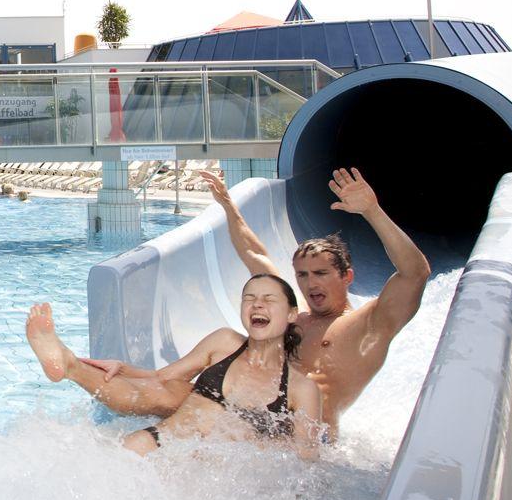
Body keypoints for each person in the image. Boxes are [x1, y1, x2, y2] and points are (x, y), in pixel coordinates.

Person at [71, 167, 430, 431]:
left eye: (321, 274)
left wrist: (371, 211)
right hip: (255, 417)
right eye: (302, 275)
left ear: (347, 277)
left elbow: (415, 273)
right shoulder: (293, 320)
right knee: (169, 393)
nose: (309, 283)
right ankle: (71, 371)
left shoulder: (369, 325)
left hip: (302, 442)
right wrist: (228, 206)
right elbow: (255, 254)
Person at [26, 275, 324, 458]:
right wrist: (123, 367)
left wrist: (252, 445)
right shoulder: (224, 342)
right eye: (250, 299)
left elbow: (306, 455)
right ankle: (68, 364)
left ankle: (70, 365)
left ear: (291, 315)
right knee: (162, 389)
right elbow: (163, 376)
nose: (257, 305)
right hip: (160, 443)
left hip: (217, 474)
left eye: (268, 300)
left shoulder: (300, 388)